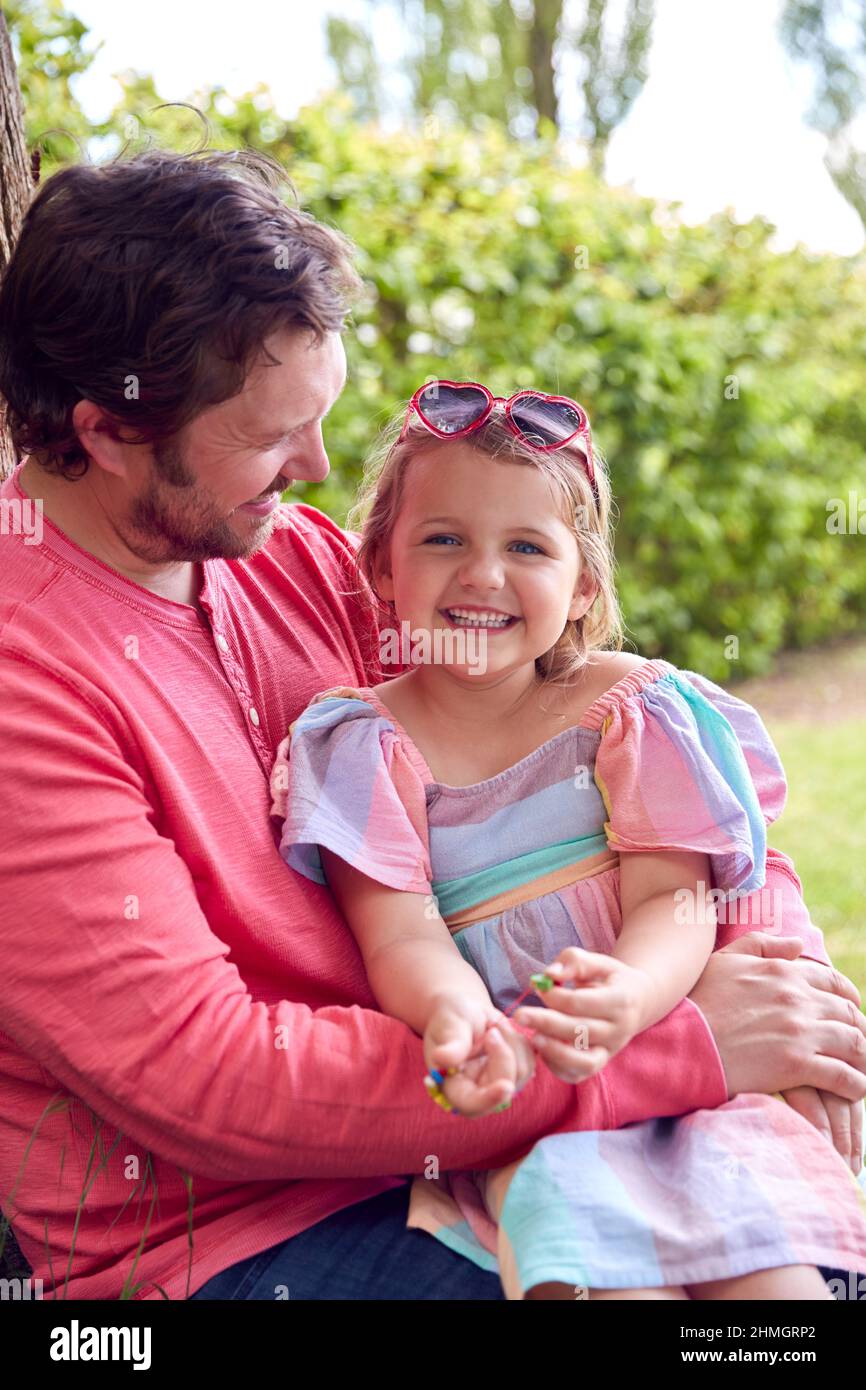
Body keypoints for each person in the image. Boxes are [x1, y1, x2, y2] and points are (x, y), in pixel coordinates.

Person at [0, 148, 863, 1303]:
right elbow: (212, 1080)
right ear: (107, 431)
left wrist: (771, 983)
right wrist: (673, 1053)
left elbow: (614, 730)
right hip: (246, 1239)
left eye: (318, 420)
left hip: (493, 1126)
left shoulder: (287, 557)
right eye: (268, 438)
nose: (311, 470)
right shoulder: (24, 682)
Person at [270, 380, 866, 1299]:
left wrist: (628, 994)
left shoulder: (627, 709)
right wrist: (454, 1018)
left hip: (689, 1067)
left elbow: (674, 896)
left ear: (582, 584)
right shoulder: (362, 744)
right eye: (443, 540)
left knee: (769, 1292)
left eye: (526, 547)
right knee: (590, 1279)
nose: (482, 574)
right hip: (535, 1097)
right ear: (380, 567)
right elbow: (401, 931)